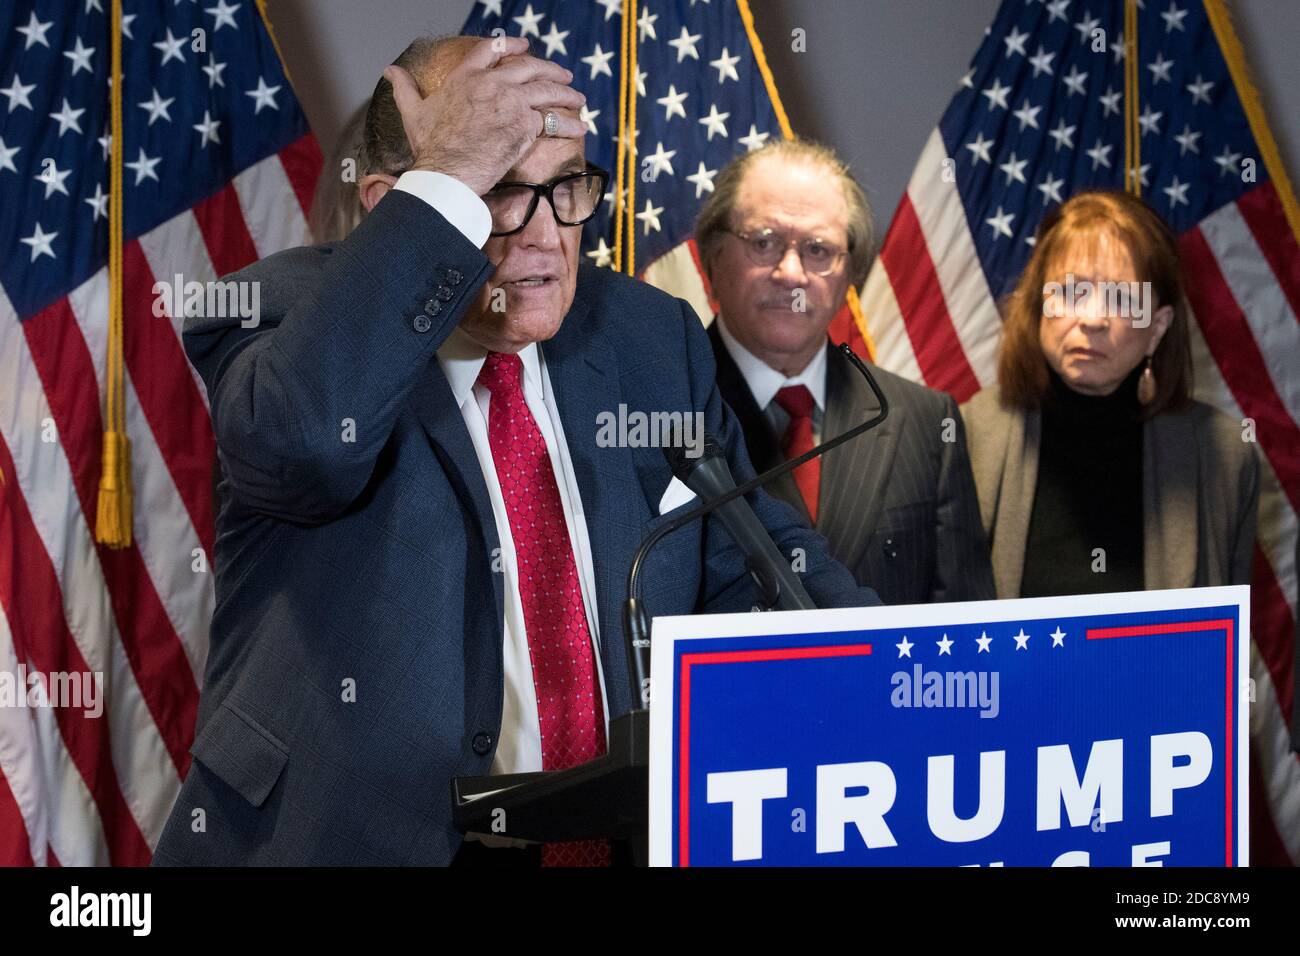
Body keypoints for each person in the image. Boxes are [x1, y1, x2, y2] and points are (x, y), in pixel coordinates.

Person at [152, 35, 876, 867]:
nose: (542, 237)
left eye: (564, 187)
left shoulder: (647, 336)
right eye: (497, 194)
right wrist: (449, 180)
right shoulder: (283, 316)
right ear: (401, 204)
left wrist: (896, 676)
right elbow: (308, 444)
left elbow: (752, 554)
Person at [696, 139, 994, 605]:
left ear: (850, 272)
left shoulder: (923, 419)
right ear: (712, 255)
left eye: (818, 249)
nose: (791, 273)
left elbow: (961, 626)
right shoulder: (666, 413)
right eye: (764, 242)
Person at [961, 190, 1258, 599]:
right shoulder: (966, 437)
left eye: (1121, 299)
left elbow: (1222, 646)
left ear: (1157, 327)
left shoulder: (1224, 455)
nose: (1093, 319)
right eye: (1071, 292)